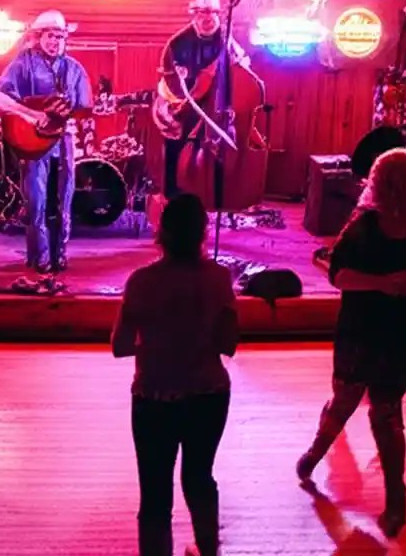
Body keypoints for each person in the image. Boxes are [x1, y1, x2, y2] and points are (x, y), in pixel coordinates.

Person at [296, 148, 406, 538]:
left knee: (372, 408)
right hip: (385, 331)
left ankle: (390, 491)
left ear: (376, 183)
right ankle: (326, 458)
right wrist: (389, 283)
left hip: (376, 331)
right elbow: (340, 274)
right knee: (372, 408)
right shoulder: (371, 228)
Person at [112, 193, 238, 556]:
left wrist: (159, 340)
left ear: (161, 231)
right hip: (209, 394)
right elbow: (228, 344)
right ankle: (208, 550)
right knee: (199, 478)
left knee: (154, 494)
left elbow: (119, 345)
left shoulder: (140, 282)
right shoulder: (218, 278)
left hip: (154, 396)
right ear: (202, 232)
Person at [0, 10, 92, 276]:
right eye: (50, 35)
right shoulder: (23, 63)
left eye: (60, 36)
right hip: (33, 143)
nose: (55, 41)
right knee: (36, 201)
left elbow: (84, 108)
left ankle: (60, 255)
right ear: (38, 37)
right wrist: (32, 115)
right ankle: (40, 259)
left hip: (64, 140)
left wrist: (77, 115)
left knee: (64, 199)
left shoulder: (74, 69)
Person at [154, 0, 251, 198]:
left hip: (216, 107)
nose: (208, 19)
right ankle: (174, 195)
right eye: (203, 13)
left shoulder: (225, 39)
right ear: (194, 14)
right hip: (184, 103)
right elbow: (170, 79)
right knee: (177, 142)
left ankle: (217, 194)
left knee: (221, 146)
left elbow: (242, 66)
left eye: (213, 13)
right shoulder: (177, 43)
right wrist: (186, 102)